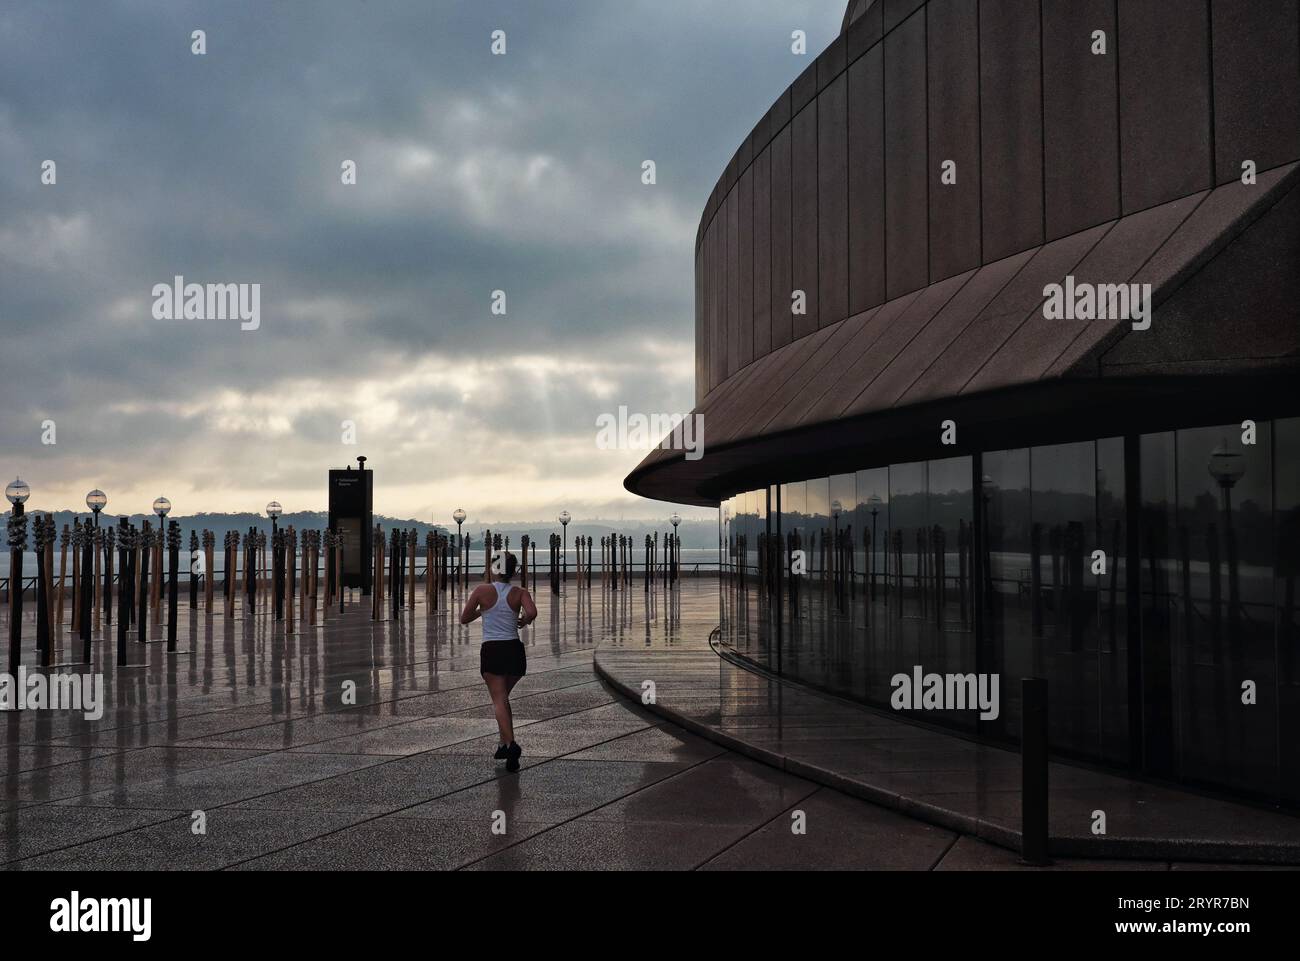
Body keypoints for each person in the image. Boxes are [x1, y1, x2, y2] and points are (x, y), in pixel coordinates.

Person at [459, 550, 537, 772]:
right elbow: (532, 612)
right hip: (514, 650)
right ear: (513, 571)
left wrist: (482, 610)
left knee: (498, 700)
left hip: (492, 650)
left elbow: (464, 617)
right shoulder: (519, 592)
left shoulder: (482, 591)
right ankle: (503, 745)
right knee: (502, 699)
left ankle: (511, 745)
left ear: (494, 568)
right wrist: (524, 619)